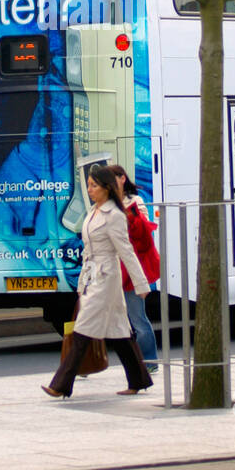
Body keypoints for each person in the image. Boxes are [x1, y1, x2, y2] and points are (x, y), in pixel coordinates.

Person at [43, 165, 153, 399]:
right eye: (89, 185)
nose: (90, 189)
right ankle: (139, 379)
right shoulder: (94, 211)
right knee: (121, 330)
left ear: (106, 187)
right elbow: (88, 251)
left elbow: (127, 252)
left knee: (83, 327)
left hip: (107, 276)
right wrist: (82, 281)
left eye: (94, 185)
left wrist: (141, 284)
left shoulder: (114, 215)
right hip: (94, 274)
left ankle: (61, 384)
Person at [108, 163, 160, 373]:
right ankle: (84, 361)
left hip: (130, 268)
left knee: (137, 318)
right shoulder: (106, 204)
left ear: (122, 179)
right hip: (112, 268)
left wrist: (129, 215)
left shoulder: (135, 202)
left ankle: (149, 361)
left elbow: (143, 233)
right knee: (97, 318)